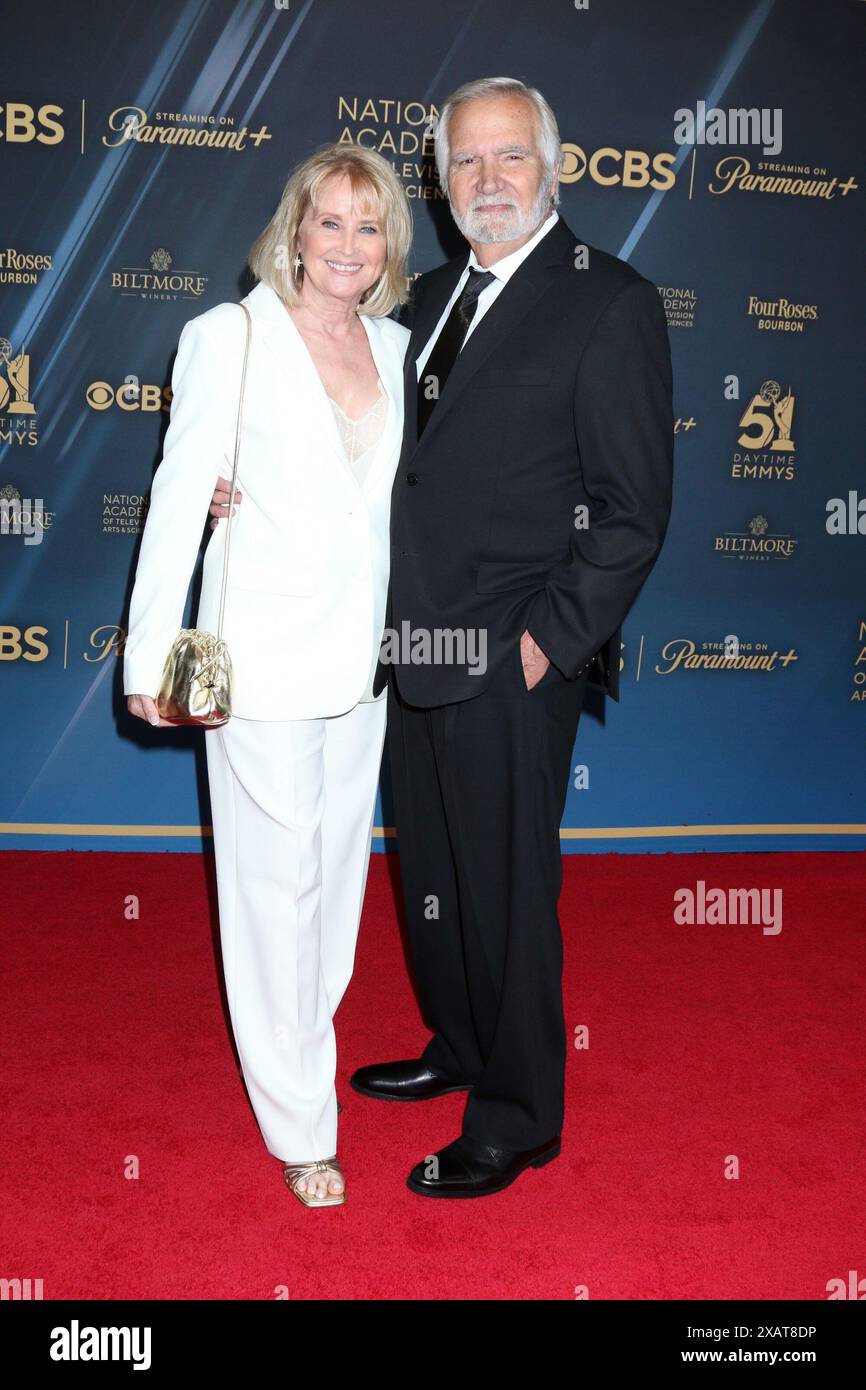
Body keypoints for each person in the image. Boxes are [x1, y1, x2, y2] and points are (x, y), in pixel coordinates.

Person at [212, 76, 674, 1199]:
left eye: (507, 157)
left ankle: (515, 1111)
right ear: (440, 177)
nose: (486, 180)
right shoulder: (413, 308)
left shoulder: (606, 300)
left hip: (513, 659)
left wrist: (544, 645)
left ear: (550, 166)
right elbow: (355, 449)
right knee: (435, 871)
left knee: (509, 886)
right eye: (464, 162)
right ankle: (459, 1044)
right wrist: (244, 492)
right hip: (402, 652)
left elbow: (631, 510)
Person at [124, 143, 411, 1206]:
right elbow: (174, 497)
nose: (345, 244)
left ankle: (301, 1044)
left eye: (367, 224)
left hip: (363, 661)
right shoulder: (228, 337)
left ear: (389, 243)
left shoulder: (396, 344)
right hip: (259, 656)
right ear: (293, 230)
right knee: (269, 889)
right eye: (327, 222)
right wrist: (151, 653)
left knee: (333, 889)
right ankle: (302, 1125)